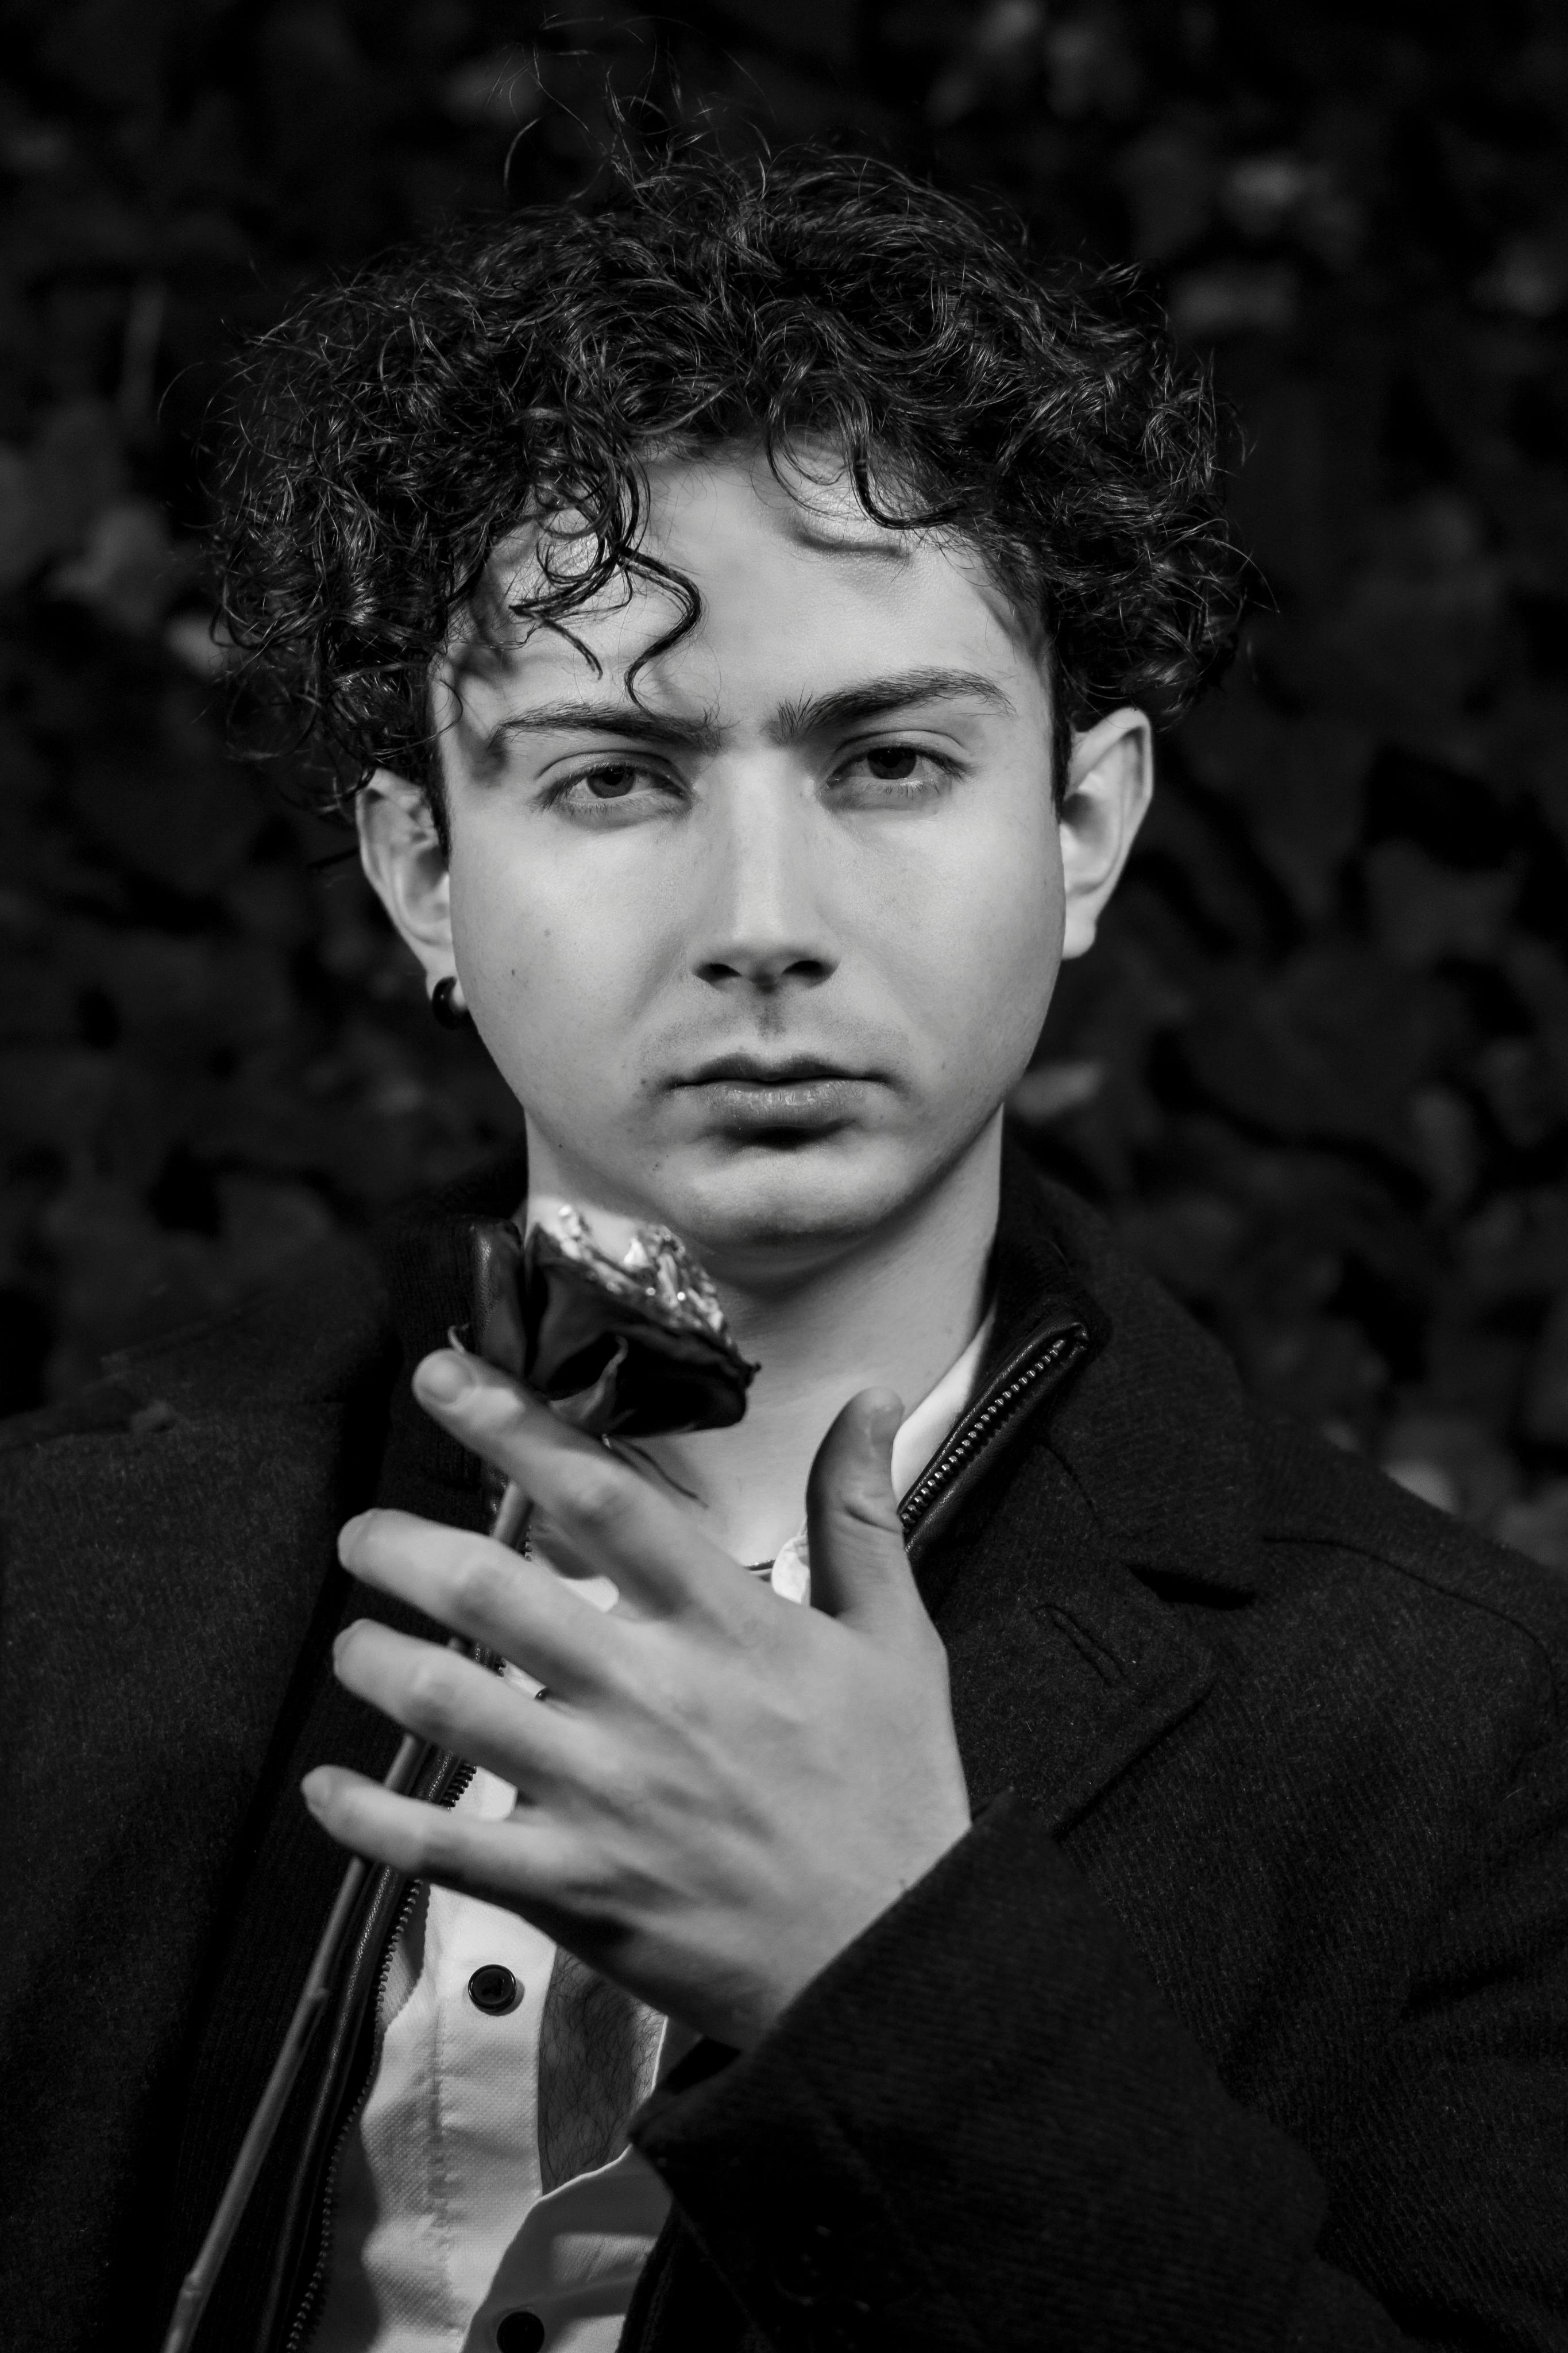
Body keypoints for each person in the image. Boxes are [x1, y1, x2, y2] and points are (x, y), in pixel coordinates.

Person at [3, 144, 1565, 2353]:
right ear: (421, 873)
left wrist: (893, 1980)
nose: (762, 926)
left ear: (1085, 823)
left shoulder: (1472, 1734)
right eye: (617, 777)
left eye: (893, 761)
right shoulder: (52, 1588)